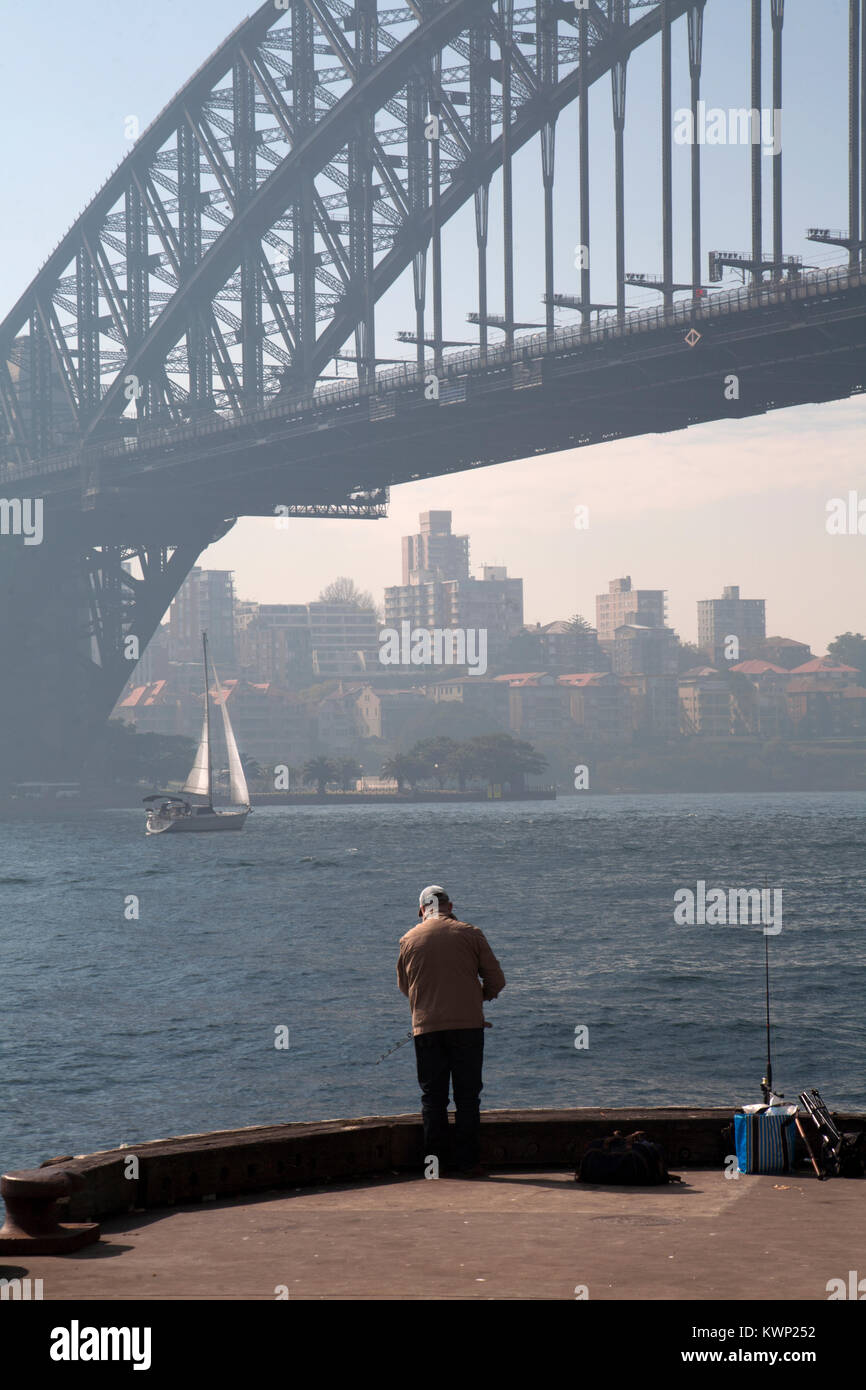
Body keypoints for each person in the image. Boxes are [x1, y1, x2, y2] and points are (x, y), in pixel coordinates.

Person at [397, 884, 506, 1178]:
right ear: (450, 906)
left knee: (433, 1098)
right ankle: (469, 1164)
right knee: (468, 1096)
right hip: (468, 1027)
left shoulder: (408, 939)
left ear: (421, 910)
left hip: (427, 1028)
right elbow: (496, 979)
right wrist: (477, 997)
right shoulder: (471, 934)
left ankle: (434, 1166)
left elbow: (405, 987)